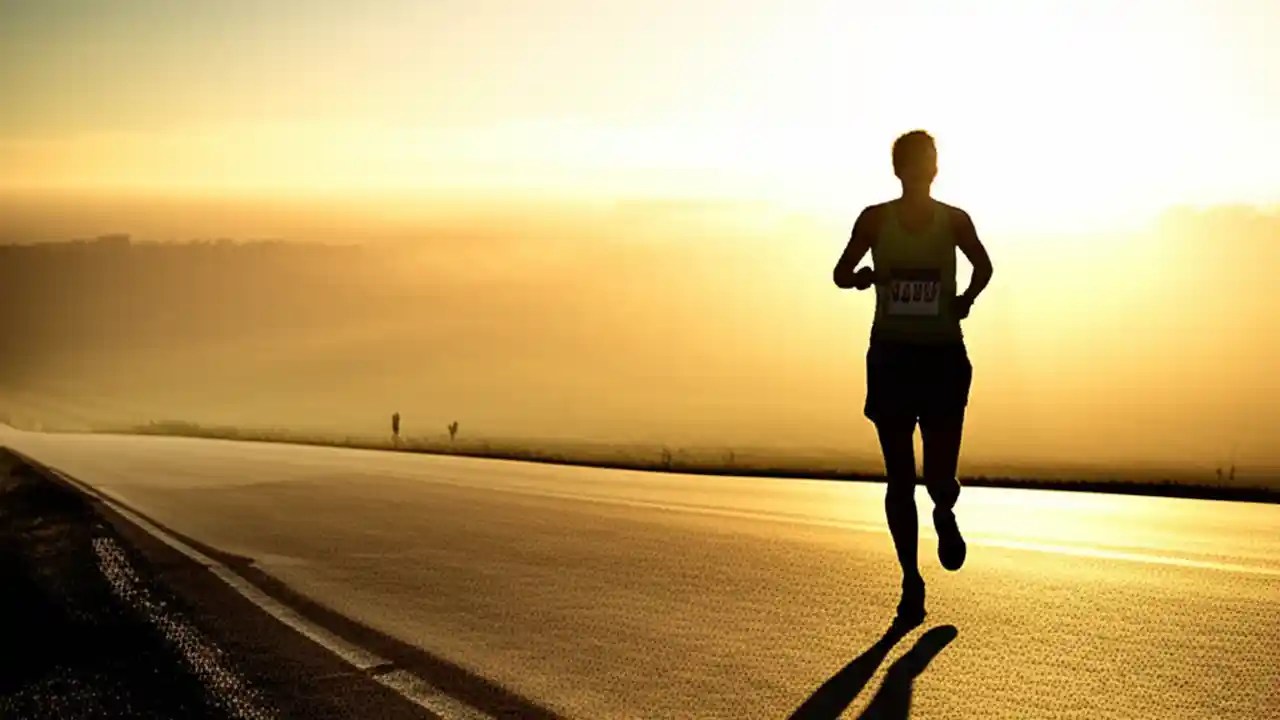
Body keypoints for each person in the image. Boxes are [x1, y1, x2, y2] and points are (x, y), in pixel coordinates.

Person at [832, 130, 993, 625]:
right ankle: (911, 580)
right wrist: (861, 278)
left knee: (939, 477)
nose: (923, 170)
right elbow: (840, 272)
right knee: (900, 479)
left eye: (928, 161)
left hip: (942, 358)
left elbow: (984, 266)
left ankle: (943, 509)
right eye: (917, 162)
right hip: (893, 359)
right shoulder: (874, 220)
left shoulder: (955, 220)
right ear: (900, 170)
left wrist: (965, 300)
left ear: (934, 170)